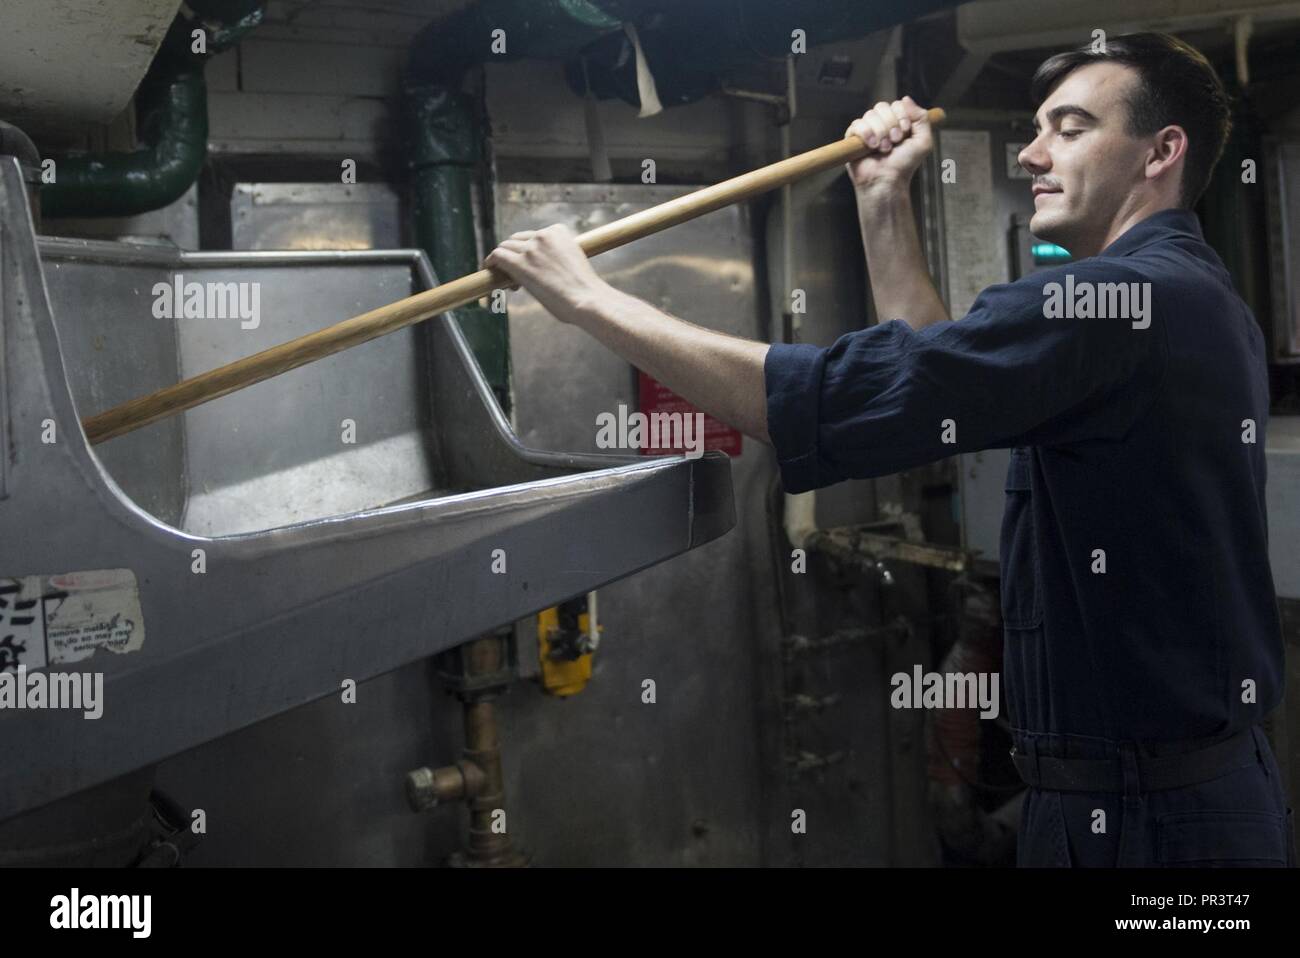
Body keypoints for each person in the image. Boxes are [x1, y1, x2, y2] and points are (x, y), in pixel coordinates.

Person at [485, 32, 1294, 867]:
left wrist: (588, 301)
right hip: (1159, 796)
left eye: (1071, 127)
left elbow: (823, 399)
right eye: (1039, 127)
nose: (1032, 152)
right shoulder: (1183, 291)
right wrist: (882, 199)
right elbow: (938, 384)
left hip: (1149, 819)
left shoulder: (1123, 298)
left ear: (1162, 151)